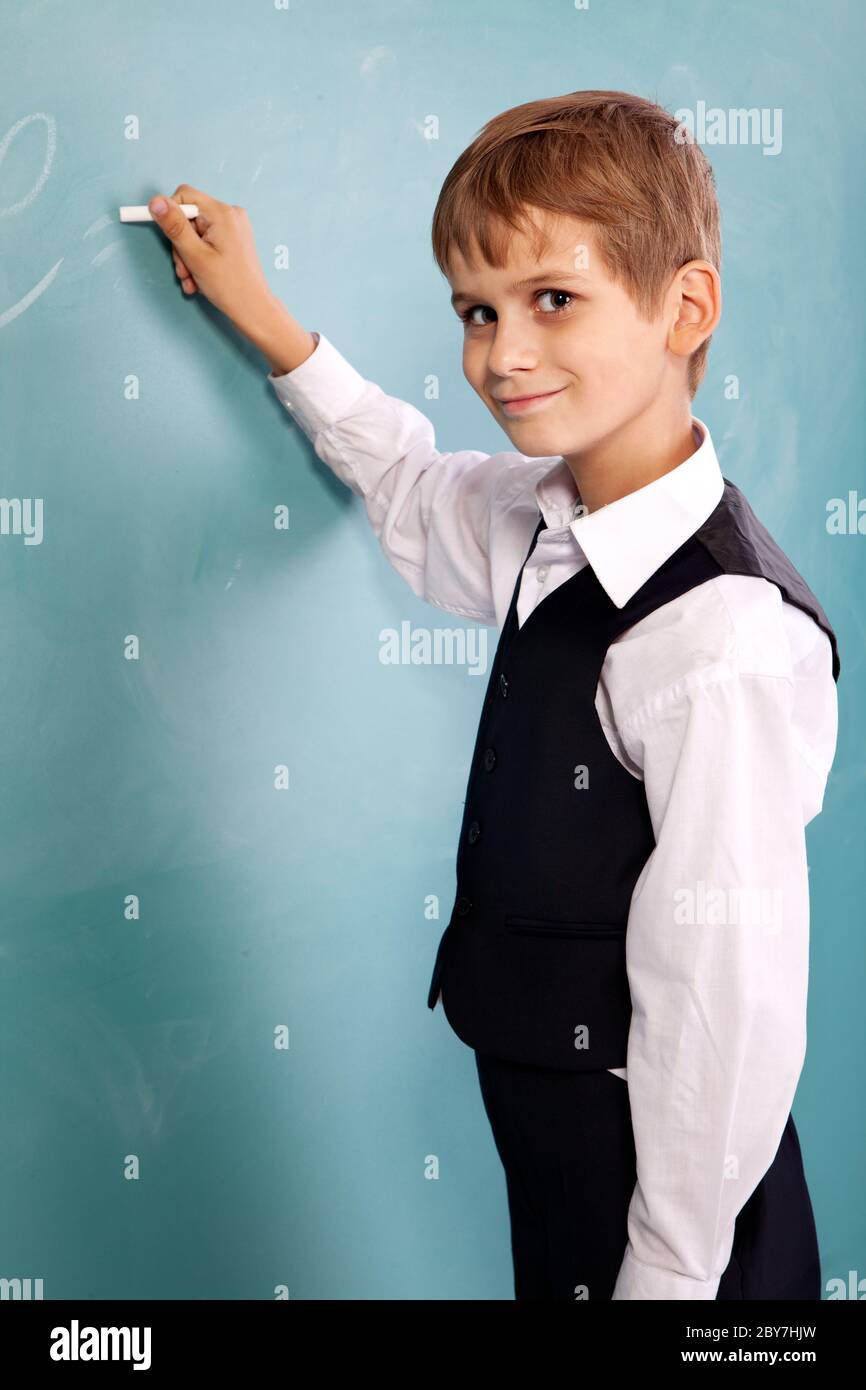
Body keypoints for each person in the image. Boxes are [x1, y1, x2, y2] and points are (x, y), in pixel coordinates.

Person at [147, 88, 840, 1300]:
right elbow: (413, 485)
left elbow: (723, 1008)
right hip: (559, 1158)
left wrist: (669, 1279)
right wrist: (268, 322)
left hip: (681, 1225)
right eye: (477, 311)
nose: (499, 354)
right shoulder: (545, 517)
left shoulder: (719, 639)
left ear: (684, 309)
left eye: (550, 302)